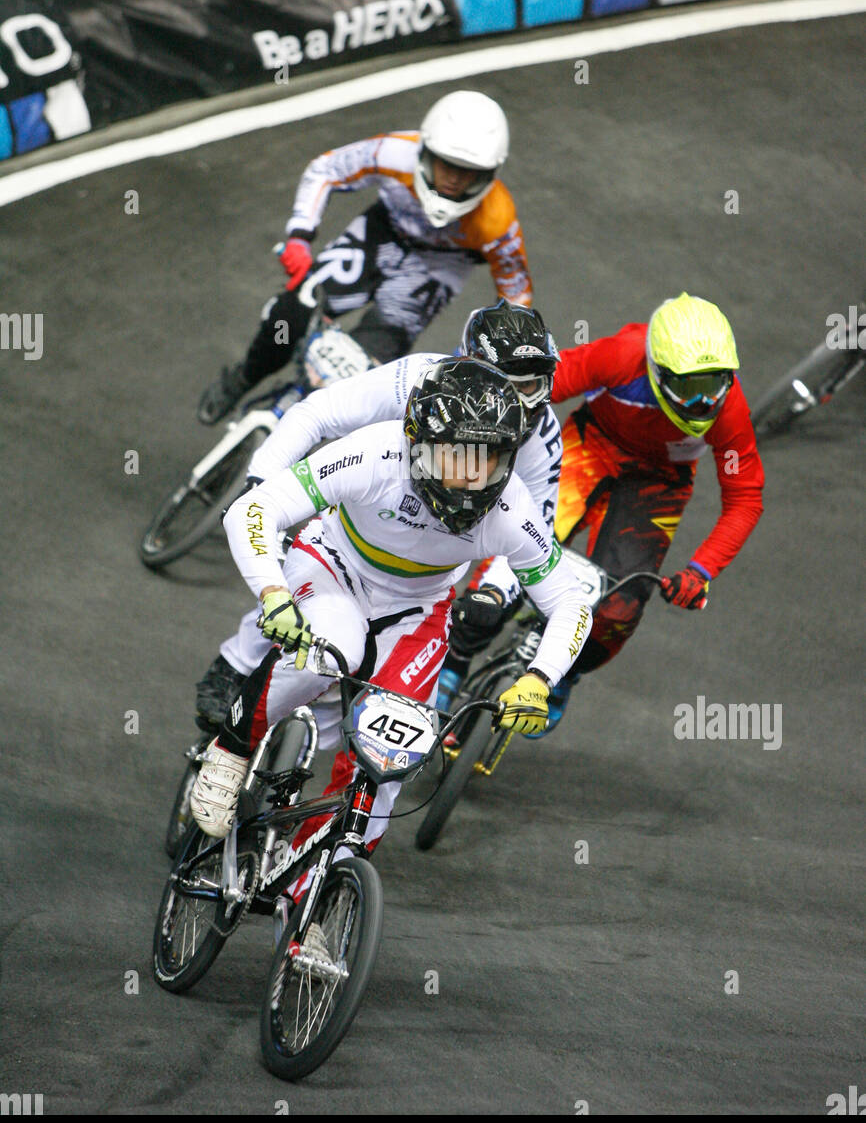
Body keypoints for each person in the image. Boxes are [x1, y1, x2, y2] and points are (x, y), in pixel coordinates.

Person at [189, 358, 594, 849]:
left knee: (393, 754)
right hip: (335, 568)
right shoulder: (373, 453)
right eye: (456, 457)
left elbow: (571, 600)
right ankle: (232, 748)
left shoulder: (511, 507)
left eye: (487, 459)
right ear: (417, 442)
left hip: (418, 608)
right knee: (330, 652)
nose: (470, 478)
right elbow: (253, 510)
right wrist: (273, 594)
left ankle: (321, 892)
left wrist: (539, 677)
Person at [194, 301, 562, 731]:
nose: (514, 401)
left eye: (531, 385)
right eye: (504, 381)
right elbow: (318, 413)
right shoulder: (417, 375)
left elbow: (538, 523)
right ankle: (239, 660)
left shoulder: (543, 438)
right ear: (464, 363)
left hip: (436, 557)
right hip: (371, 494)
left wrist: (495, 592)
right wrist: (261, 480)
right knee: (301, 582)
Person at [197, 90, 532, 424]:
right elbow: (325, 170)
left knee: (360, 376)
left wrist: (497, 354)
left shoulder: (499, 221)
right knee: (291, 312)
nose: (455, 179)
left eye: (469, 171)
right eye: (447, 164)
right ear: (425, 150)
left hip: (439, 265)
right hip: (382, 233)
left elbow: (516, 296)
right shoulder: (394, 152)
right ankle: (245, 376)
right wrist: (300, 237)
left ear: (489, 174)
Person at [545, 292, 764, 732]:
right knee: (521, 547)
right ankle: (454, 662)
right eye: (688, 386)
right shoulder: (621, 355)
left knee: (618, 612)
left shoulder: (730, 411)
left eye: (714, 383)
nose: (704, 404)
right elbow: (545, 383)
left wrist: (700, 571)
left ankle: (565, 673)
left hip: (659, 480)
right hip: (592, 444)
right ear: (656, 370)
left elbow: (745, 500)